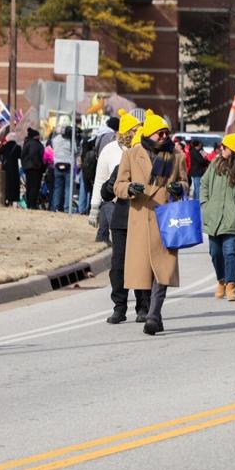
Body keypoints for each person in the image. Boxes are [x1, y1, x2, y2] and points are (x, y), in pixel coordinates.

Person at [112, 110, 188, 335]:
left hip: (167, 221)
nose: (164, 136)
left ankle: (153, 315)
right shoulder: (131, 155)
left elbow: (185, 182)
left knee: (162, 271)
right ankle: (155, 314)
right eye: (159, 133)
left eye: (166, 132)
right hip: (141, 221)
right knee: (147, 273)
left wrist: (179, 188)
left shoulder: (176, 155)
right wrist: (130, 189)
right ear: (149, 134)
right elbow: (118, 185)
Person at [100, 126, 150, 324]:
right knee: (118, 266)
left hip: (143, 221)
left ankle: (143, 307)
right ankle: (119, 308)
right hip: (122, 222)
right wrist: (114, 184)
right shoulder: (121, 166)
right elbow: (107, 193)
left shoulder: (152, 168)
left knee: (141, 265)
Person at [201, 130, 235, 302]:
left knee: (230, 252)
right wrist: (205, 204)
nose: (221, 149)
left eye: (225, 146)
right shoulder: (215, 164)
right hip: (213, 216)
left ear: (233, 150)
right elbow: (204, 184)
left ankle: (230, 284)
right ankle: (220, 279)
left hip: (232, 218)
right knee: (215, 252)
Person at [90, 110, 141, 243]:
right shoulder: (109, 150)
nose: (139, 132)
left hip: (137, 205)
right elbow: (100, 179)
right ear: (127, 132)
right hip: (114, 203)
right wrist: (94, 208)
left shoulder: (140, 150)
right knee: (121, 241)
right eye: (135, 130)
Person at [50, 126, 75, 212]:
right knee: (68, 188)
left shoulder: (55, 139)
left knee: (57, 188)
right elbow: (74, 150)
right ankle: (67, 208)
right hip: (68, 165)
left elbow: (53, 148)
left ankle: (56, 207)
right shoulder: (71, 141)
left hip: (57, 165)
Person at [0, 132, 22, 206]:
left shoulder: (5, 146)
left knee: (6, 184)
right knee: (14, 184)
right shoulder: (17, 147)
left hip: (6, 168)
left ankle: (6, 199)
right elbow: (20, 156)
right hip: (14, 168)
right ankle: (13, 199)